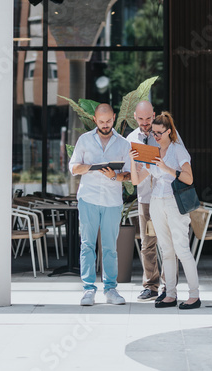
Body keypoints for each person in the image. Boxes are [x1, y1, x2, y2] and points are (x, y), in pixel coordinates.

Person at [130, 111, 200, 309]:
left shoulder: (177, 150)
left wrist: (166, 168)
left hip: (174, 201)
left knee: (182, 250)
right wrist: (134, 160)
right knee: (166, 251)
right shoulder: (153, 151)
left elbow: (189, 178)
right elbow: (136, 181)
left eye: (159, 132)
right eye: (154, 132)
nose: (155, 136)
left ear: (169, 131)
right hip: (156, 201)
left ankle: (194, 295)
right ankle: (170, 294)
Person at [69, 103, 132, 306]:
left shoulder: (123, 144)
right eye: (101, 121)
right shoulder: (84, 140)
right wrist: (92, 167)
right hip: (88, 199)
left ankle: (111, 289)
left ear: (114, 117)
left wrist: (115, 175)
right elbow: (74, 168)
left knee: (110, 247)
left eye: (109, 121)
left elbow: (130, 175)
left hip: (112, 201)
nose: (105, 125)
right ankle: (88, 290)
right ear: (94, 119)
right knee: (87, 245)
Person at [125, 100, 160, 301]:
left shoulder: (164, 134)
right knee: (148, 243)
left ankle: (169, 286)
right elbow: (132, 173)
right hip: (146, 200)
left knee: (168, 243)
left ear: (153, 115)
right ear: (135, 118)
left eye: (148, 118)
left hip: (166, 197)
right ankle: (151, 286)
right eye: (141, 119)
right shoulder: (130, 140)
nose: (145, 123)